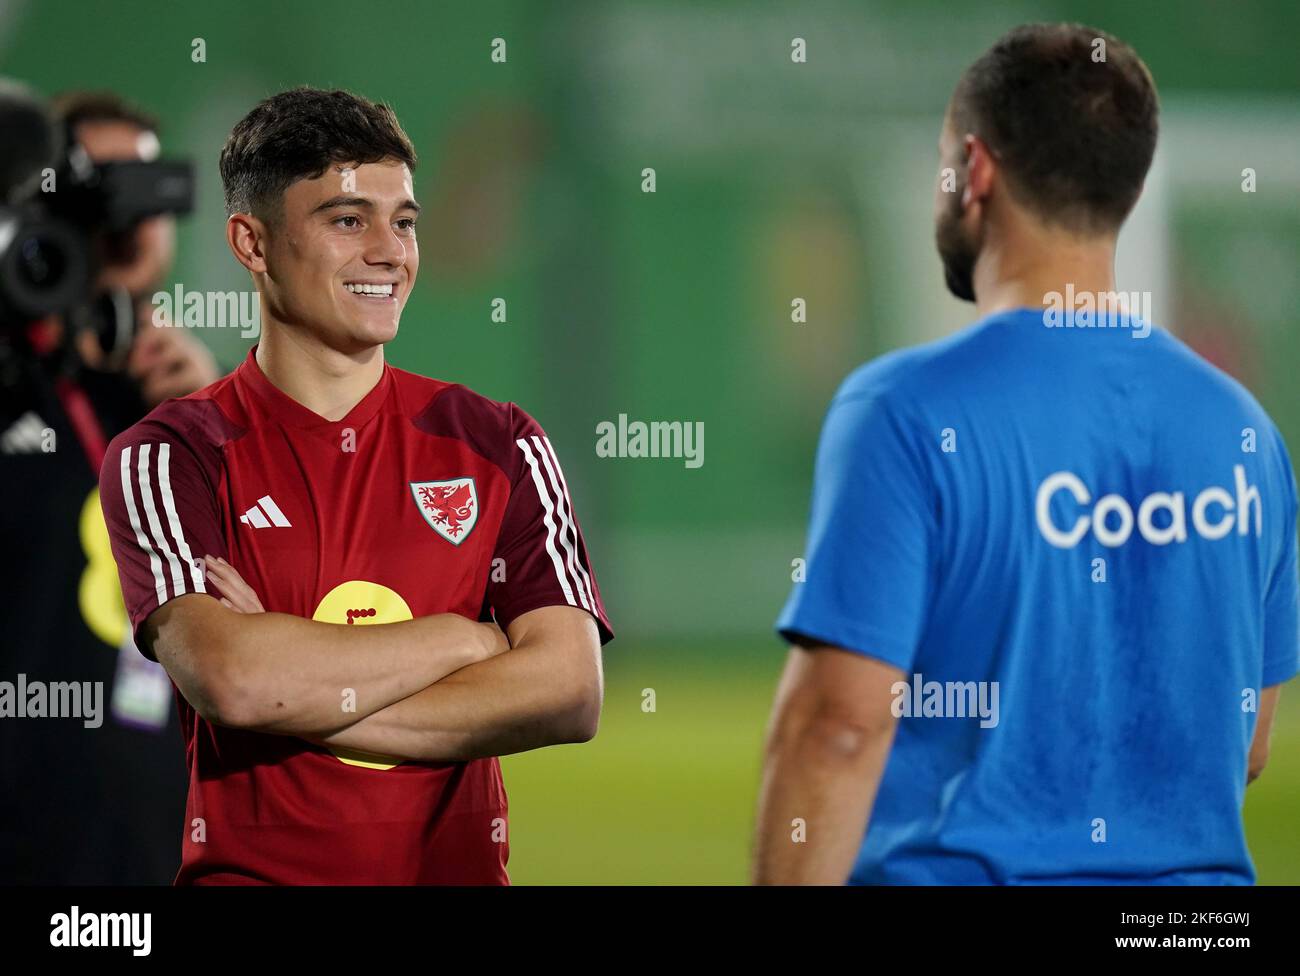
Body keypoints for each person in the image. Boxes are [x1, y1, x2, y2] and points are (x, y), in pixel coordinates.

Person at [754, 23, 1297, 885]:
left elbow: (838, 729)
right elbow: (1249, 743)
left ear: (974, 171)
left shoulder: (903, 411)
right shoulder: (1246, 434)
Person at [98, 87, 613, 884]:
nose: (389, 251)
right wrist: (467, 639)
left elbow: (569, 691)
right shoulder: (170, 456)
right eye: (347, 220)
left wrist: (296, 684)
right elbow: (233, 680)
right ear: (252, 242)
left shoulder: (499, 443)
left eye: (403, 221)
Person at [0, 89, 218, 884]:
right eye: (96, 188)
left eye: (146, 192)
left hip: (154, 844)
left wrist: (223, 428)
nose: (125, 218)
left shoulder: (200, 412)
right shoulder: (17, 394)